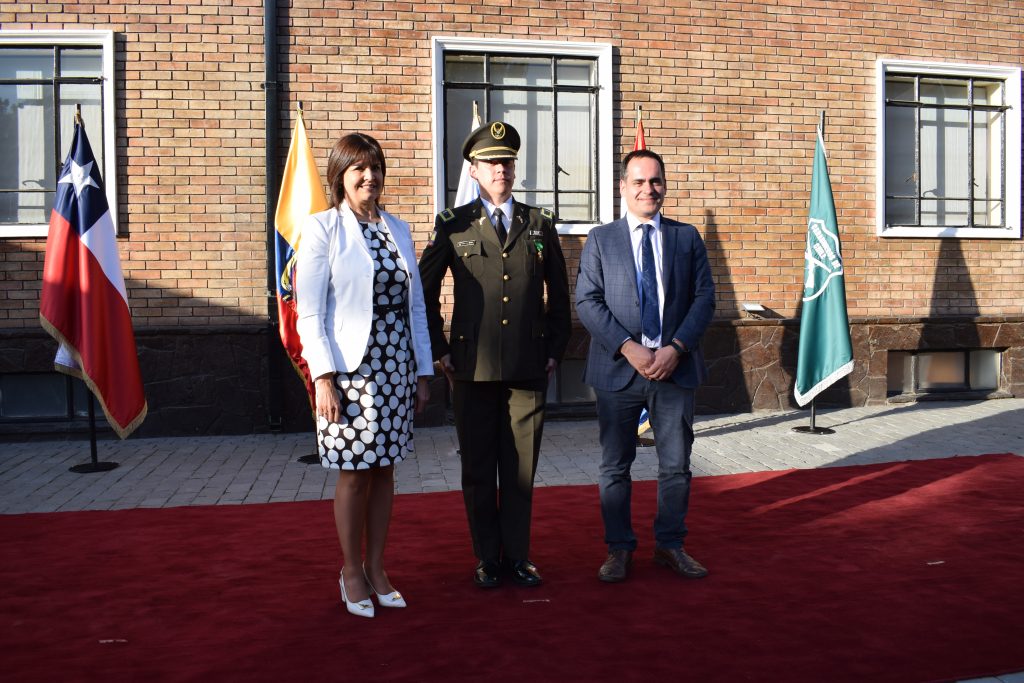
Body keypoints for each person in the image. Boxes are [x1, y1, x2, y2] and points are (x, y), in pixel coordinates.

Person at [418, 121, 571, 589]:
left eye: (506, 161)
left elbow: (559, 296)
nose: (500, 169)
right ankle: (487, 557)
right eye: (490, 162)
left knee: (521, 470)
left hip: (527, 366)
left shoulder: (539, 223)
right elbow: (422, 293)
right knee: (480, 468)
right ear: (474, 169)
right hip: (471, 368)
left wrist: (554, 350)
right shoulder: (454, 224)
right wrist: (440, 350)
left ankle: (519, 557)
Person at [296, 132, 433, 618]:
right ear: (340, 176)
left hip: (396, 364)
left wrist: (421, 369)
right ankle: (351, 571)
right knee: (355, 474)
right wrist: (323, 377)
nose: (369, 176)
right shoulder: (322, 229)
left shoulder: (398, 227)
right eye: (358, 168)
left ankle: (377, 567)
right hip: (349, 370)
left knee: (386, 470)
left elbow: (415, 305)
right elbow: (308, 312)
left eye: (375, 167)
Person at [575, 148, 716, 583]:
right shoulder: (601, 239)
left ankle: (670, 545)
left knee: (676, 464)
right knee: (615, 464)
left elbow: (704, 298)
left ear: (665, 186)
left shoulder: (686, 237)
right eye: (638, 181)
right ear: (623, 187)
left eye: (655, 181)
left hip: (674, 369)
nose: (647, 189)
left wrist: (676, 347)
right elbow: (587, 301)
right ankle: (619, 549)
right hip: (619, 371)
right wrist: (629, 347)